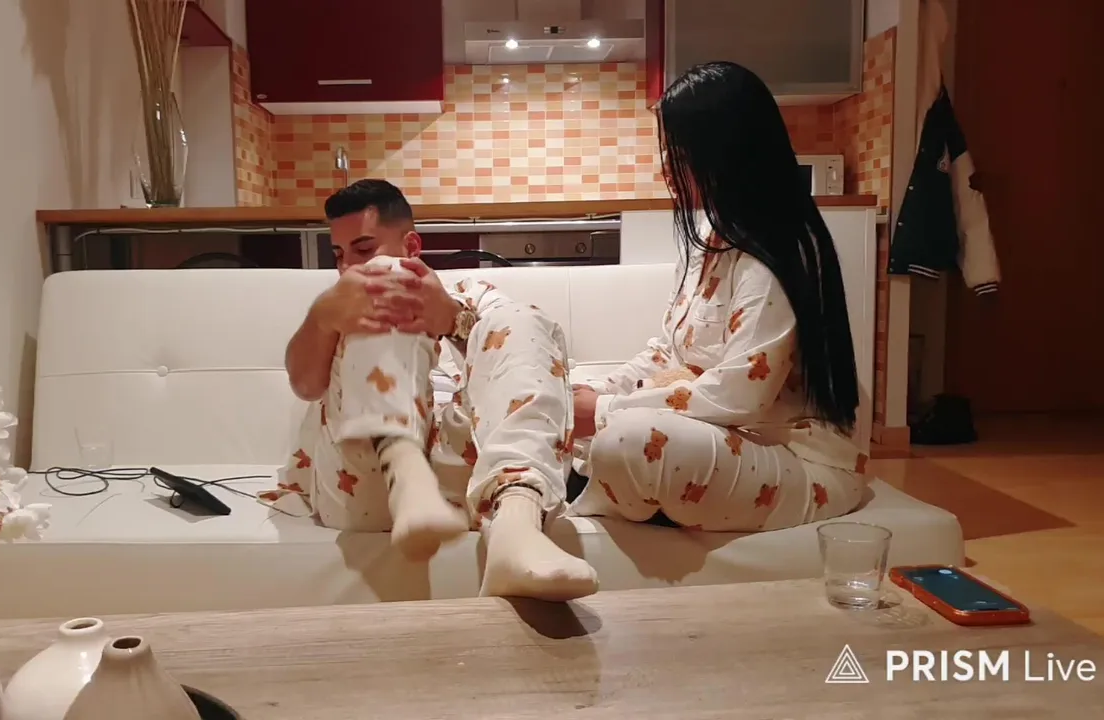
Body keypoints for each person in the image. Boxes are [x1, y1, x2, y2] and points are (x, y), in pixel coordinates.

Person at [570, 61, 871, 531]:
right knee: (570, 398)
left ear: (725, 154)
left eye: (678, 153)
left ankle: (604, 493)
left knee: (631, 440)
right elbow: (669, 350)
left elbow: (740, 395)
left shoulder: (778, 250)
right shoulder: (713, 233)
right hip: (735, 440)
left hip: (795, 458)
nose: (666, 168)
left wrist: (604, 412)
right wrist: (597, 394)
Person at [277, 179, 598, 601]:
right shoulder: (342, 305)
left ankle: (516, 526)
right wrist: (321, 318)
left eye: (363, 249)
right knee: (383, 285)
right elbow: (305, 385)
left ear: (412, 246)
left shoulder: (472, 296)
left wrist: (451, 319)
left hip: (467, 479)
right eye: (338, 254)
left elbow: (524, 348)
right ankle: (405, 472)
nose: (348, 267)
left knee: (521, 318)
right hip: (363, 479)